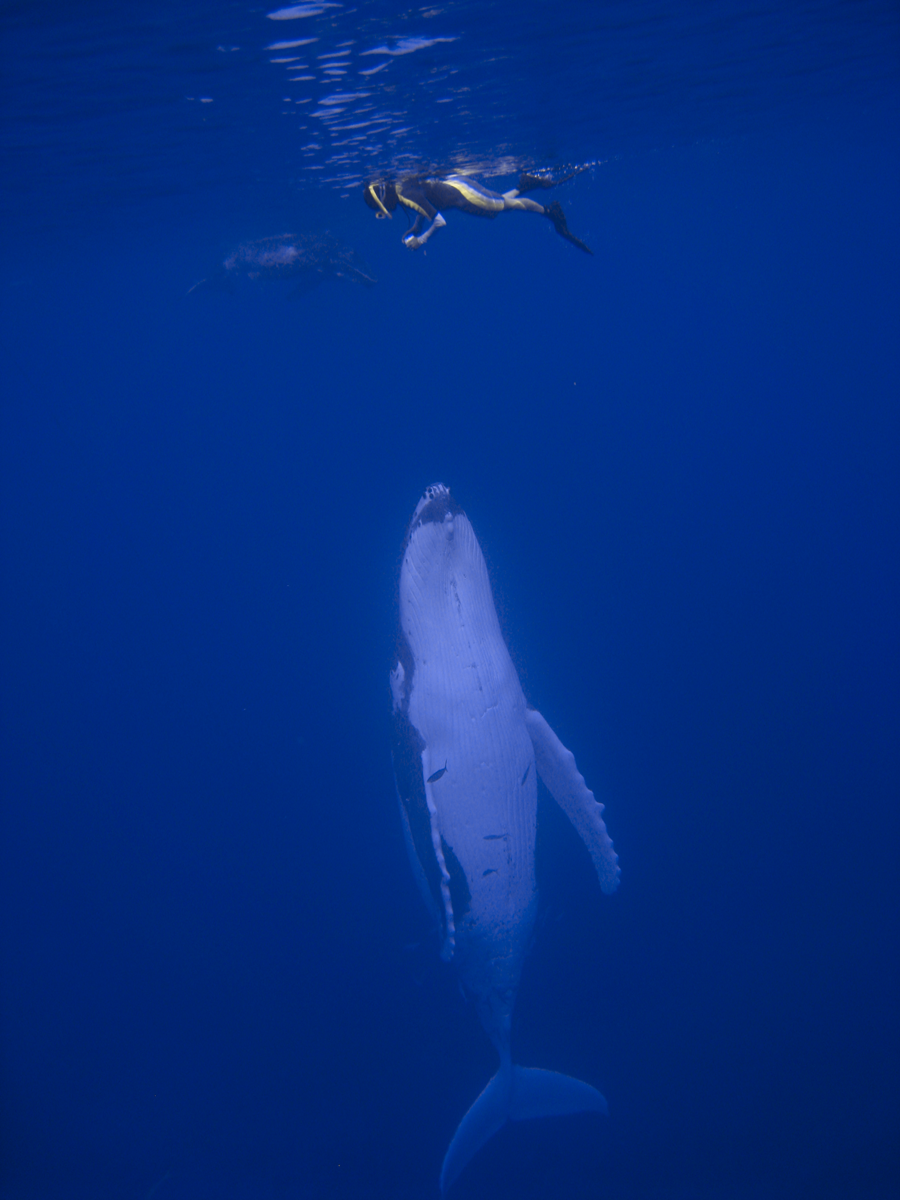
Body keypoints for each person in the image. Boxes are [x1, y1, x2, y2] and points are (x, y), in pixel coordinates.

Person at [363, 166, 593, 254]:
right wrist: (415, 226)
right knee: (498, 203)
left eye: (383, 208)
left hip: (464, 195)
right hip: (456, 186)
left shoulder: (404, 194)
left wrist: (421, 240)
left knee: (505, 206)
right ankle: (525, 184)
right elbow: (424, 205)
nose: (388, 210)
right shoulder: (401, 186)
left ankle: (550, 212)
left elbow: (440, 221)